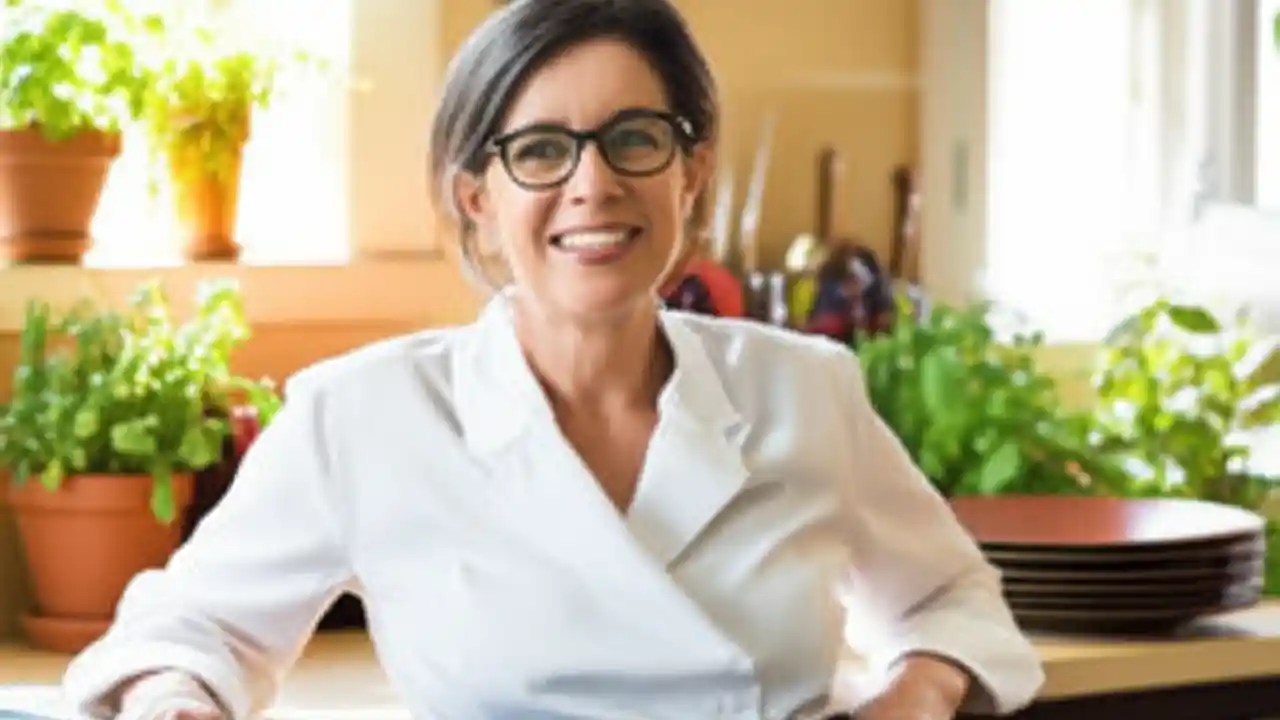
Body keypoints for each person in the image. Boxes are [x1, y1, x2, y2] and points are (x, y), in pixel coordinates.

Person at [62, 1, 1045, 718]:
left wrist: (913, 696)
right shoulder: (362, 415)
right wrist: (175, 703)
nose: (593, 183)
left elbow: (951, 597)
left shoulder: (804, 390)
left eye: (634, 139)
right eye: (540, 150)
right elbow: (187, 631)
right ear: (478, 199)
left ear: (691, 172)